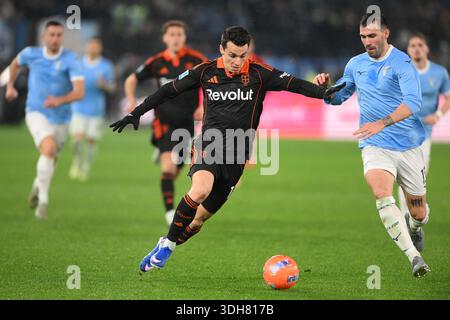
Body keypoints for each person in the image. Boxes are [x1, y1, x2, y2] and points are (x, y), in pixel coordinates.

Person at [110, 26, 344, 272]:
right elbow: (167, 91)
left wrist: (322, 92)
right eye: (232, 55)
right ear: (221, 49)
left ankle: (167, 240)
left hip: (238, 155)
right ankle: (168, 246)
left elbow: (294, 84)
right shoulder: (205, 71)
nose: (237, 62)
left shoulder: (259, 73)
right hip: (209, 144)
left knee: (198, 221)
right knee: (200, 190)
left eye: (242, 56)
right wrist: (136, 112)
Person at [314, 13, 430, 277]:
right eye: (363, 36)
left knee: (419, 212)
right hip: (374, 144)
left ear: (386, 33)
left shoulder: (402, 62)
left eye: (372, 36)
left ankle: (414, 226)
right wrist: (326, 89)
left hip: (408, 144)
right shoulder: (356, 64)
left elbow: (413, 103)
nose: (367, 41)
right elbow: (339, 96)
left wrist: (383, 122)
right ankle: (413, 256)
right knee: (381, 193)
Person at [124, 20, 207, 225]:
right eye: (172, 35)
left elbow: (212, 81)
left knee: (178, 167)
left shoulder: (196, 59)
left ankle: (162, 153)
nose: (176, 38)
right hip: (163, 121)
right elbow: (132, 79)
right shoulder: (157, 62)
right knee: (168, 169)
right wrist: (131, 99)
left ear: (184, 37)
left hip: (186, 123)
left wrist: (204, 105)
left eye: (179, 34)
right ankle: (170, 213)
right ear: (165, 38)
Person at [5, 20, 84, 219]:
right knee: (48, 148)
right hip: (36, 112)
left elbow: (79, 92)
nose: (55, 38)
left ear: (62, 37)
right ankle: (43, 201)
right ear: (44, 36)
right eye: (51, 35)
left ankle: (36, 186)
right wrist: (10, 86)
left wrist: (59, 100)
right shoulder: (31, 54)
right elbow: (15, 64)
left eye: (59, 35)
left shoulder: (71, 59)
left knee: (51, 158)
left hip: (62, 117)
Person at [397, 33, 450, 226]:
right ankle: (407, 217)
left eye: (420, 45)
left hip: (424, 133)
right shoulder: (402, 71)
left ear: (427, 49)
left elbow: (448, 97)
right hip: (402, 131)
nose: (416, 48)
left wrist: (437, 116)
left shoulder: (439, 73)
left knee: (421, 173)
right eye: (412, 45)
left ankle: (415, 213)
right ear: (408, 50)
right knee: (404, 175)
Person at [69, 37, 115, 181]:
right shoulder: (78, 64)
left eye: (96, 46)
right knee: (76, 138)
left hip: (96, 109)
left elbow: (112, 87)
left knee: (90, 140)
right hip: (78, 107)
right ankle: (76, 162)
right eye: (91, 45)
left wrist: (104, 85)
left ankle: (86, 167)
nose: (93, 48)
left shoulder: (106, 66)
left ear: (100, 48)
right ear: (86, 47)